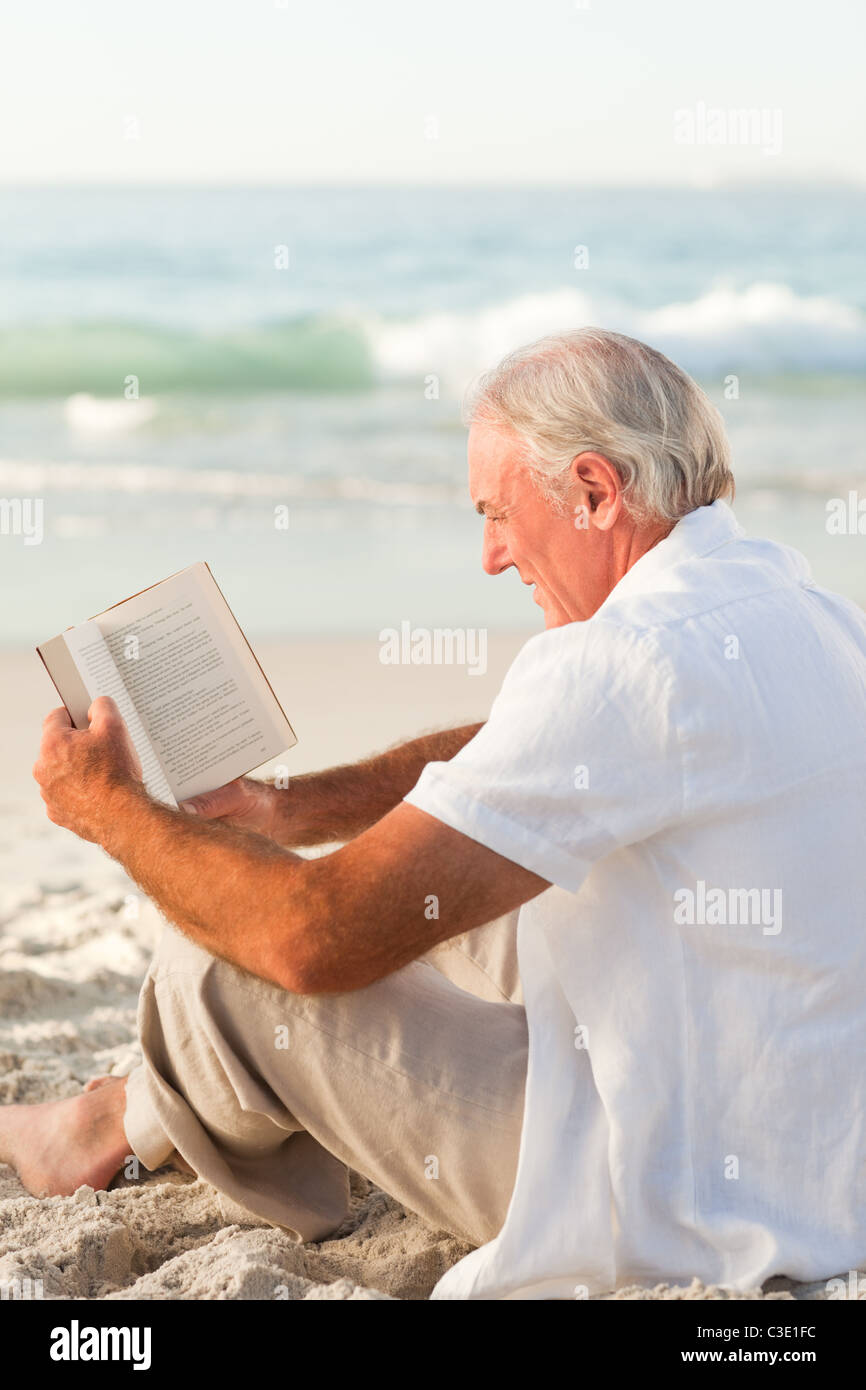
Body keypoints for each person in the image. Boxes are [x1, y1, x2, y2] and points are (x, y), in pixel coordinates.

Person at [4, 327, 866, 1300]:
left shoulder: (617, 666)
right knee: (424, 874)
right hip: (819, 1165)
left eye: (496, 513)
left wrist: (111, 809)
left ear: (592, 489)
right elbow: (522, 748)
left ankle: (103, 1128)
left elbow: (307, 939)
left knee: (222, 956)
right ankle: (127, 1115)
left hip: (668, 1206)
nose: (491, 556)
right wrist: (289, 808)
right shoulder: (816, 618)